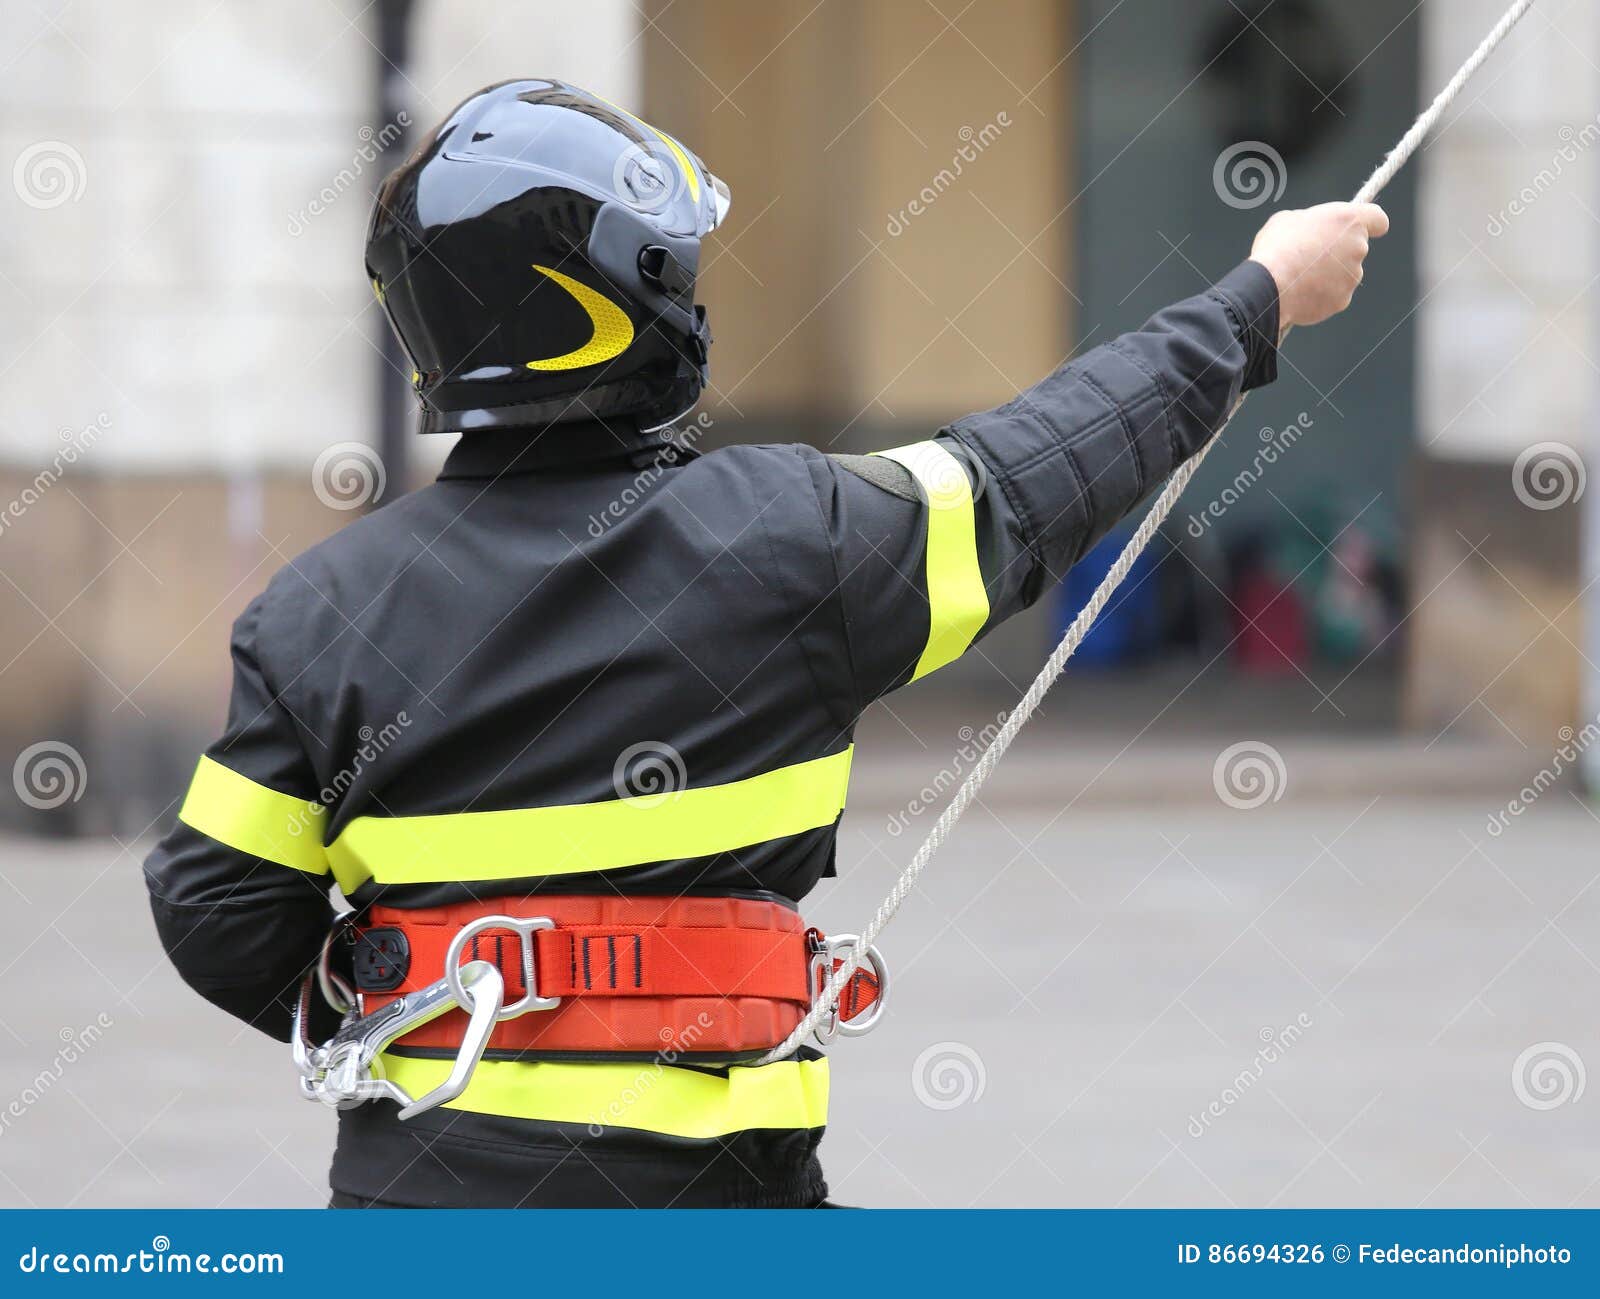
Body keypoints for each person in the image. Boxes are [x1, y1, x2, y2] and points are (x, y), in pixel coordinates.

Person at [142, 79, 1387, 1208]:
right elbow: (1034, 473)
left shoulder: (317, 609)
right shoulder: (790, 538)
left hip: (418, 1207)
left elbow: (214, 902)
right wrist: (1258, 300)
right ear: (630, 299)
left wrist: (393, 998)